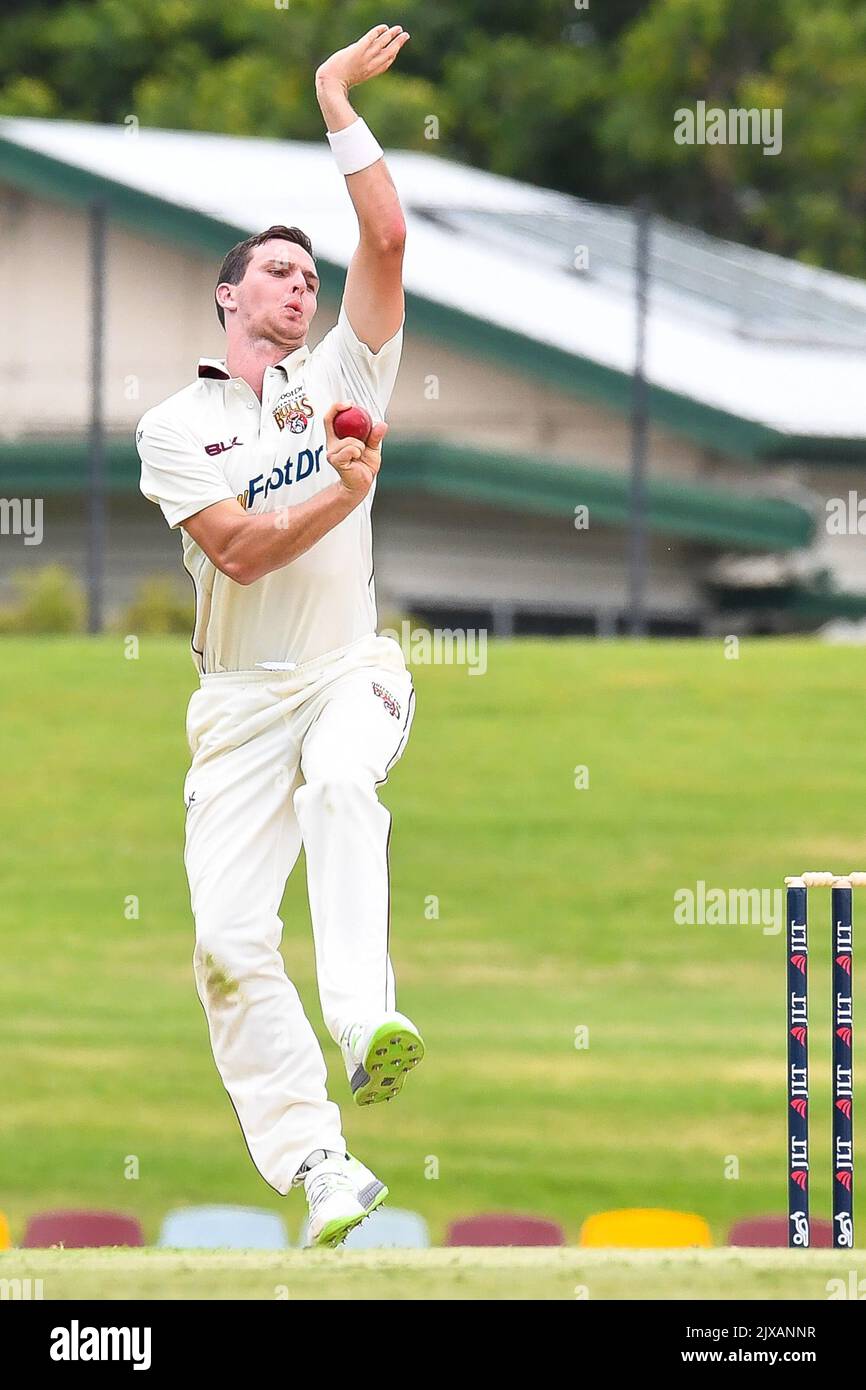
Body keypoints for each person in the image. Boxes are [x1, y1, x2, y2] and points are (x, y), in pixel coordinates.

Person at [136, 24, 424, 1248]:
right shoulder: (176, 423)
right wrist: (339, 495)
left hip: (348, 671)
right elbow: (243, 549)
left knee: (342, 783)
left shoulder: (346, 369)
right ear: (225, 294)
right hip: (236, 705)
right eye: (275, 272)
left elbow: (389, 239)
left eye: (306, 274)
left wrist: (332, 101)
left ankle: (365, 1023)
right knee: (223, 940)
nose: (298, 286)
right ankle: (320, 1165)